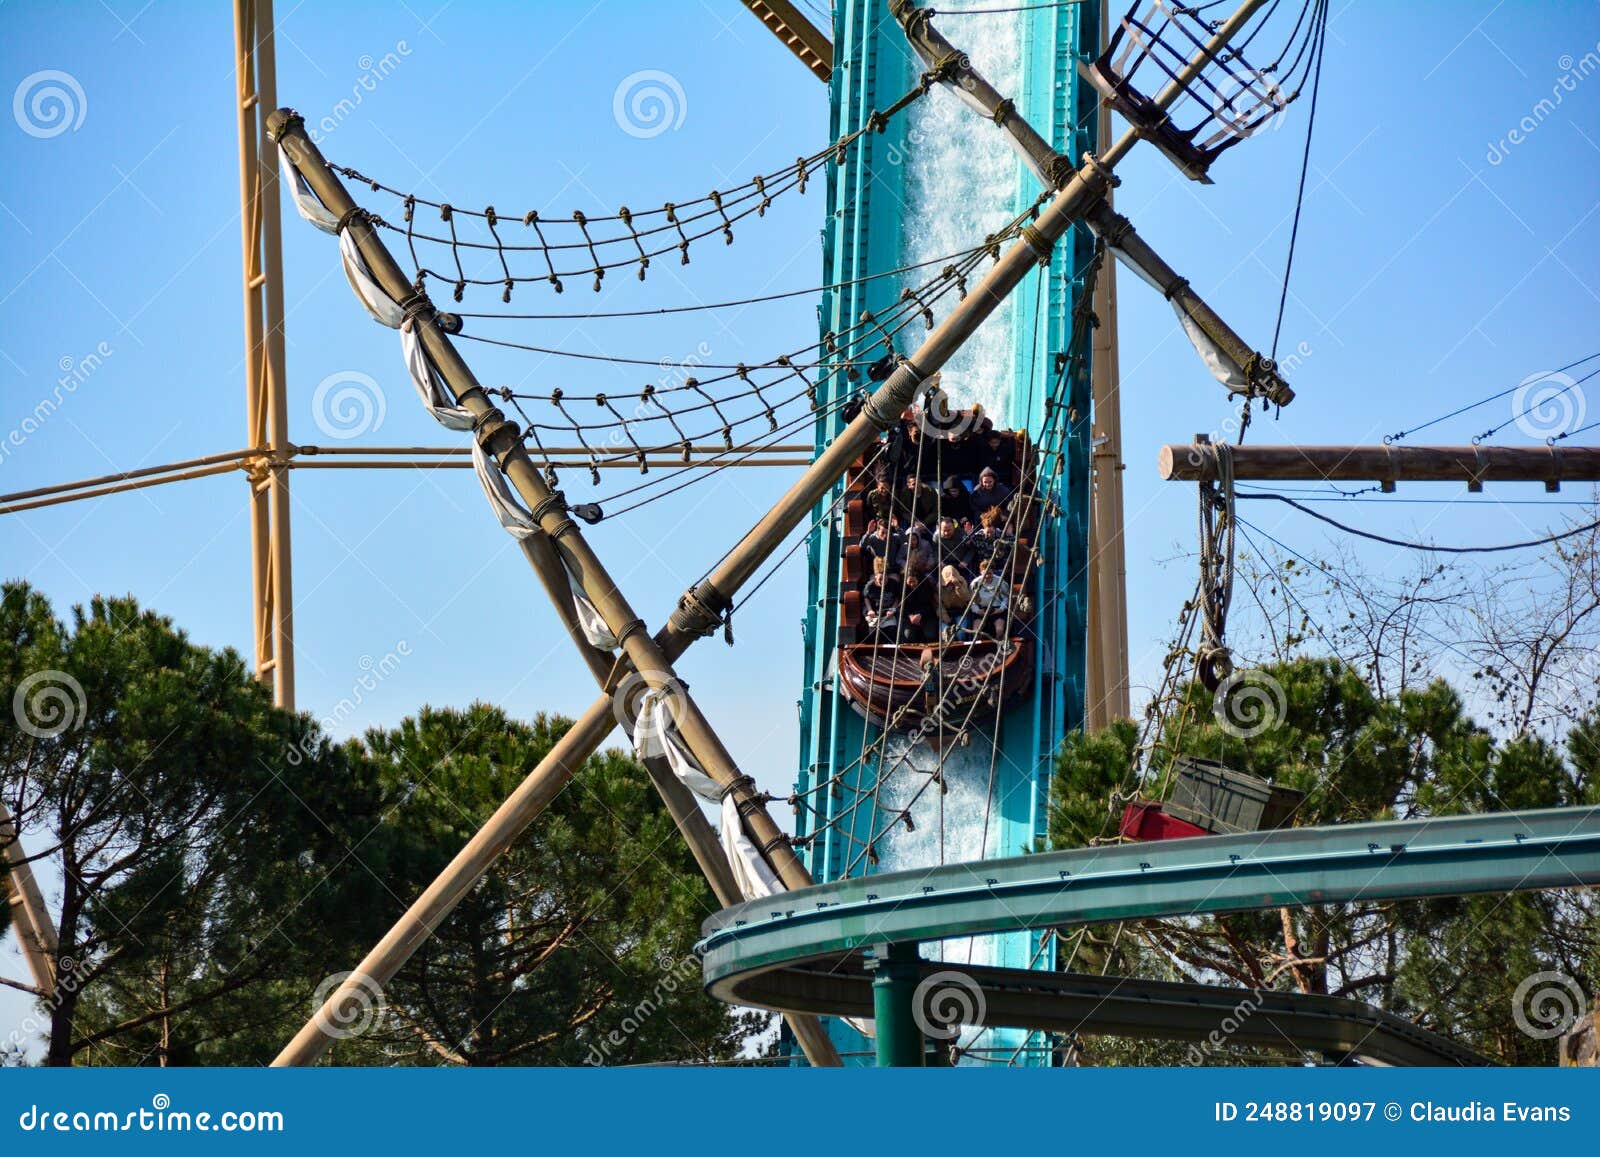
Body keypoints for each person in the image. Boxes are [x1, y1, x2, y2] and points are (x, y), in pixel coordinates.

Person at [862, 555, 902, 636]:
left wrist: (893, 609)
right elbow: (866, 597)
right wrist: (870, 610)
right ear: (875, 577)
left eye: (884, 579)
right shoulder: (870, 586)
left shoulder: (893, 584)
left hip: (888, 614)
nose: (882, 582)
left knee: (892, 632)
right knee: (873, 634)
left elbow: (897, 598)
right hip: (875, 614)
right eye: (880, 579)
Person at [971, 557, 1010, 636]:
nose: (987, 576)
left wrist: (1001, 609)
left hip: (996, 609)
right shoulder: (975, 583)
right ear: (981, 572)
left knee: (999, 631)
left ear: (993, 572)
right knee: (976, 632)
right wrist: (977, 610)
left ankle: (999, 647)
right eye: (985, 574)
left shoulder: (1001, 582)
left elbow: (1006, 598)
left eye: (990, 574)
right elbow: (972, 601)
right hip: (981, 610)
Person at [900, 569, 938, 644]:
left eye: (913, 581)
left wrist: (920, 615)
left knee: (930, 635)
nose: (911, 584)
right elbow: (902, 606)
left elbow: (930, 605)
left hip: (926, 615)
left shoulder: (926, 587)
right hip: (910, 618)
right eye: (909, 582)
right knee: (908, 636)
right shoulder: (903, 589)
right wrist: (910, 616)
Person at [937, 564, 973, 640]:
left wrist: (958, 586)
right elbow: (937, 604)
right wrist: (943, 615)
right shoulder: (938, 586)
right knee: (945, 633)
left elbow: (966, 598)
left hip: (960, 611)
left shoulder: (962, 581)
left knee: (960, 633)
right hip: (946, 612)